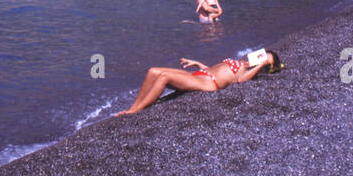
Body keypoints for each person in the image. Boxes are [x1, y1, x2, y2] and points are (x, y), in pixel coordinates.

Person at [117, 51, 281, 115]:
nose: (262, 58)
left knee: (163, 77)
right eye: (264, 55)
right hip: (201, 73)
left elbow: (240, 80)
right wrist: (196, 63)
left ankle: (136, 111)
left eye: (266, 60)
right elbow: (215, 68)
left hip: (207, 82)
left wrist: (261, 65)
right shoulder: (242, 62)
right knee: (153, 71)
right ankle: (133, 107)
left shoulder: (248, 71)